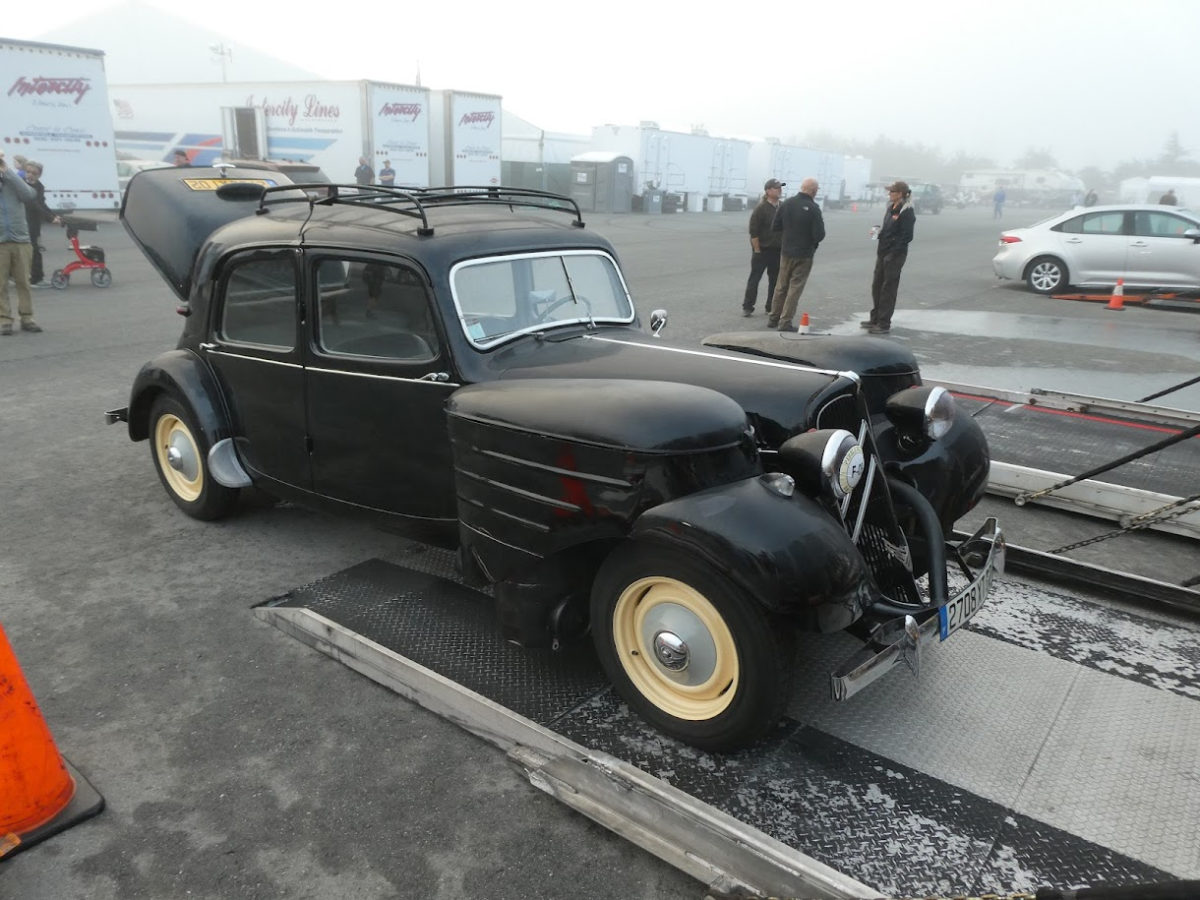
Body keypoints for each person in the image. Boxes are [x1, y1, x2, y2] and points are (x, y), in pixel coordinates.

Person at [767, 177, 824, 332]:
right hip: (804, 254)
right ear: (814, 191)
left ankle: (773, 317)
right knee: (795, 288)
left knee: (781, 286)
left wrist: (789, 235)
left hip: (786, 252)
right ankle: (784, 322)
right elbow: (819, 235)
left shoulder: (786, 204)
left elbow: (775, 226)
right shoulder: (813, 208)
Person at [862, 180, 916, 335]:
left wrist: (893, 253)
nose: (889, 194)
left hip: (895, 255)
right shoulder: (890, 207)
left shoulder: (907, 210)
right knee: (877, 285)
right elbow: (889, 229)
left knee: (888, 289)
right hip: (883, 252)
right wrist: (878, 233)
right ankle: (875, 318)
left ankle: (884, 323)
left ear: (900, 194)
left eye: (892, 191)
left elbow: (907, 236)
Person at [0, 151, 42, 335]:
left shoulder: (12, 181)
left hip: (21, 239)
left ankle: (27, 318)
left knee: (23, 282)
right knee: (0, 284)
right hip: (1, 241)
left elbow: (28, 194)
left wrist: (7, 171)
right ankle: (5, 320)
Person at [741, 178, 784, 317]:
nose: (779, 190)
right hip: (762, 250)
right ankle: (748, 306)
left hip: (777, 251)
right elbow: (754, 231)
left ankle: (770, 306)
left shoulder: (782, 207)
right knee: (755, 279)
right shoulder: (761, 208)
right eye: (776, 188)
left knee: (775, 281)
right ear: (768, 190)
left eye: (780, 188)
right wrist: (757, 250)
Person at [21, 161, 60, 288]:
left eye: (34, 173)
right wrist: (50, 218)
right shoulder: (21, 185)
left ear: (39, 175)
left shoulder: (40, 186)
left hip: (34, 223)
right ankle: (36, 279)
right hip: (22, 222)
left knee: (32, 250)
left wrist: (53, 215)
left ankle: (29, 277)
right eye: (28, 172)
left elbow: (41, 203)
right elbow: (33, 204)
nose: (30, 175)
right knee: (33, 251)